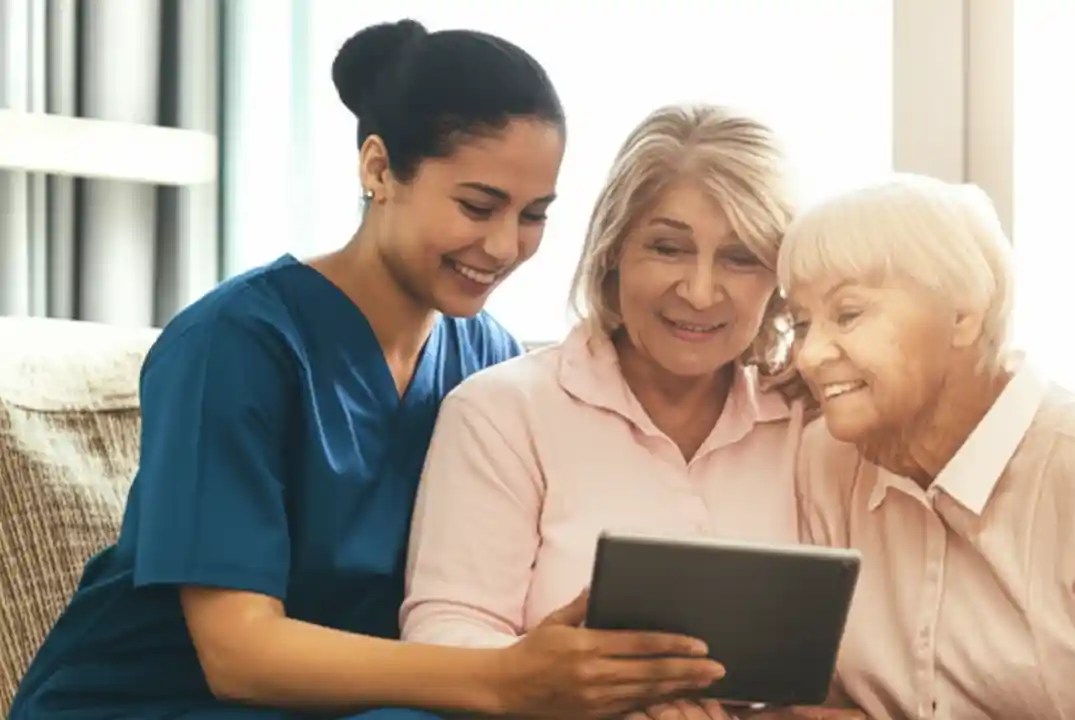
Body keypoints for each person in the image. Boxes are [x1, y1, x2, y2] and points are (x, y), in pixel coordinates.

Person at [9, 20, 722, 720]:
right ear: (379, 168)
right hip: (154, 700)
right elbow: (237, 654)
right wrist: (504, 680)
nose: (505, 245)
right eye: (478, 206)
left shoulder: (492, 364)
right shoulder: (233, 343)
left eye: (534, 214)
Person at [399, 104, 842, 719]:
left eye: (740, 259)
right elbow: (445, 631)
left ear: (778, 280)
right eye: (668, 248)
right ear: (612, 252)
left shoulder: (814, 422)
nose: (700, 291)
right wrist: (575, 690)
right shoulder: (505, 411)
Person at [780, 173, 1075, 719]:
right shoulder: (823, 460)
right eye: (800, 323)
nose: (808, 356)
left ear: (962, 314)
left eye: (848, 314)